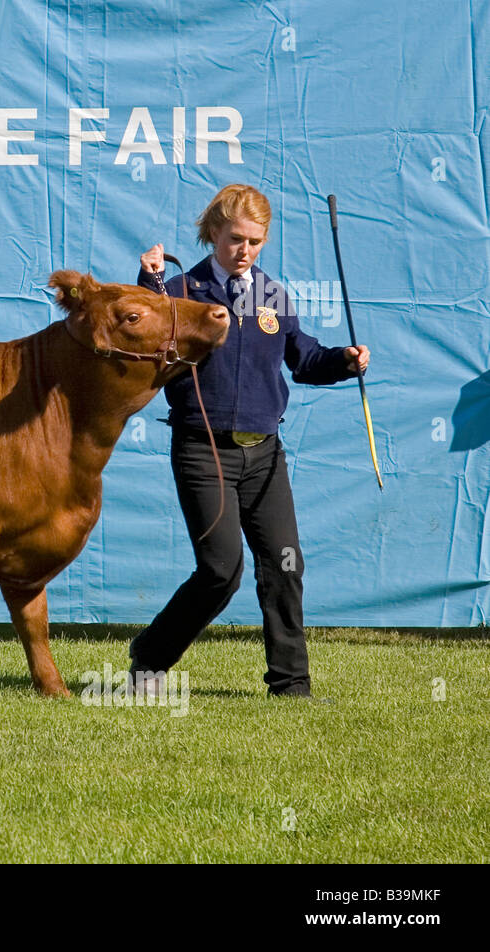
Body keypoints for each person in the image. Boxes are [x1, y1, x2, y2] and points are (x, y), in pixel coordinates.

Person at [130, 184, 370, 699]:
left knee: (285, 561)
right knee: (220, 571)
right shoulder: (181, 292)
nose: (246, 250)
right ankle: (149, 658)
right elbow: (145, 336)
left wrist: (344, 361)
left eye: (256, 242)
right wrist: (148, 283)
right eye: (236, 238)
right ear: (213, 231)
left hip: (264, 453)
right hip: (203, 450)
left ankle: (291, 687)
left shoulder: (273, 296)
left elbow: (304, 360)